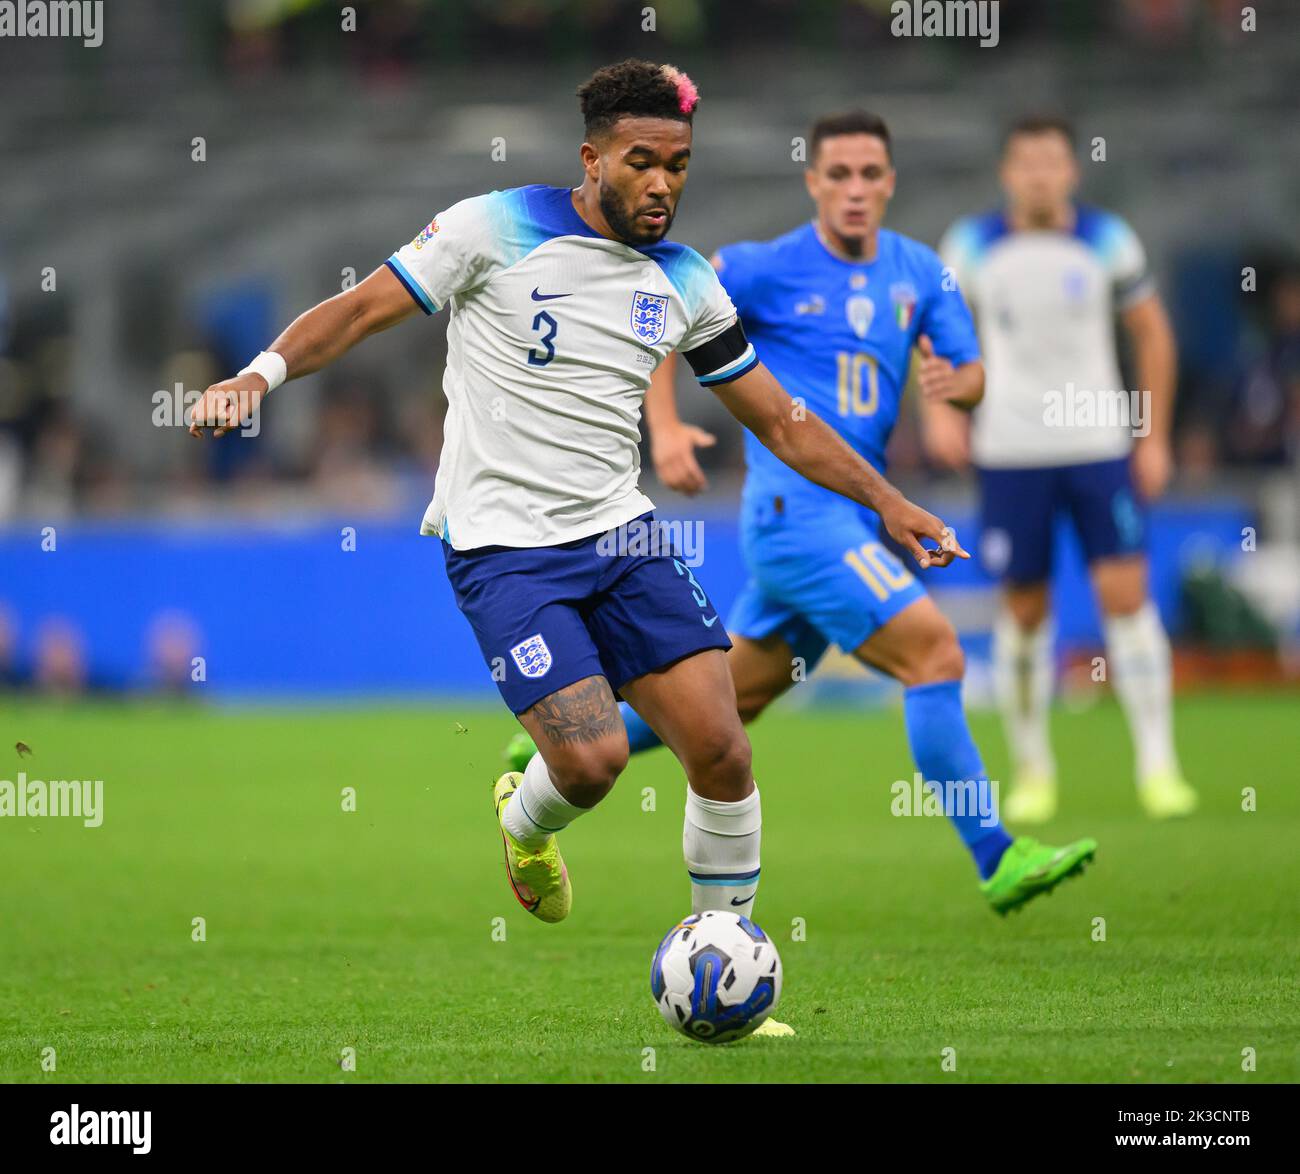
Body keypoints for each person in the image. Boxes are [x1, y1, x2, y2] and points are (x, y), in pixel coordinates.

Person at [187, 63, 965, 1031]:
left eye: (678, 165)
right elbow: (355, 312)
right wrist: (256, 378)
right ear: (591, 159)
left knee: (721, 748)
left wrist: (890, 503)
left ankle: (723, 970)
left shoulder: (684, 281)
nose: (662, 185)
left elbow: (782, 419)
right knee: (593, 762)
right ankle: (523, 827)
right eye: (642, 162)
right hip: (503, 550)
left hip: (621, 536)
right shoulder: (490, 229)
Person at [507, 110, 1098, 914]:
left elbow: (971, 372)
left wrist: (953, 387)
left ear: (889, 183)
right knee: (935, 656)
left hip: (853, 515)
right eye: (839, 174)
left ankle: (546, 748)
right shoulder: (763, 266)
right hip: (796, 513)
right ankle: (996, 855)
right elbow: (661, 309)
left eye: (869, 175)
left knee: (730, 704)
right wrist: (668, 423)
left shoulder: (921, 273)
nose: (855, 190)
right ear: (813, 181)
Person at [930, 115, 1196, 821]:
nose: (1040, 175)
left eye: (1052, 162)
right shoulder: (972, 244)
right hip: (1010, 450)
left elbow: (1154, 337)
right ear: (1007, 173)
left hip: (1100, 446)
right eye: (1027, 163)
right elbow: (935, 330)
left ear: (1072, 170)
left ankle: (1158, 765)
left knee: (1126, 596)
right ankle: (1033, 770)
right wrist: (939, 413)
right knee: (1024, 607)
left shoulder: (1107, 240)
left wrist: (1155, 436)